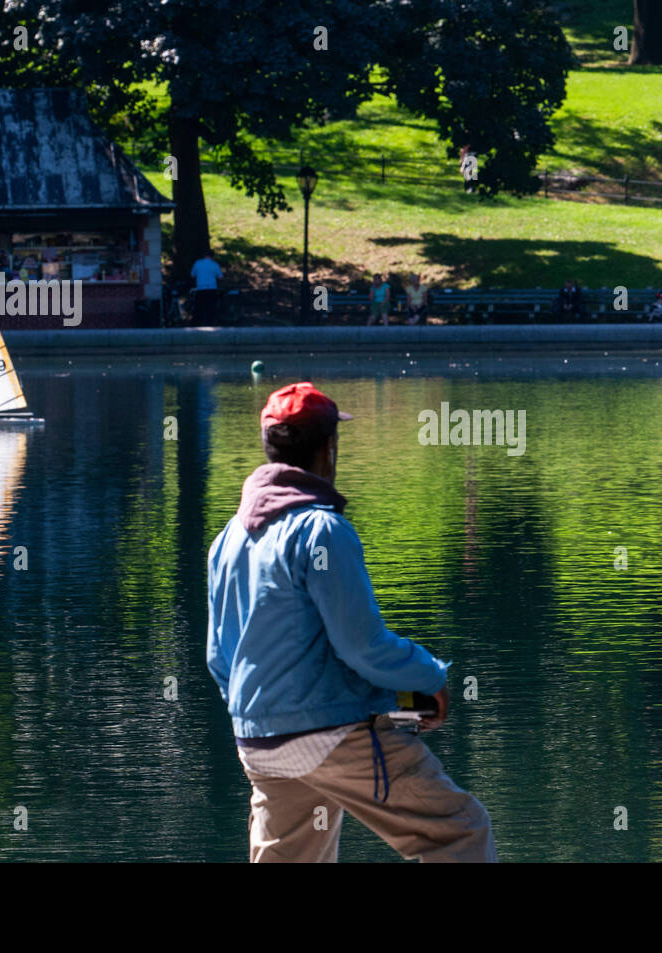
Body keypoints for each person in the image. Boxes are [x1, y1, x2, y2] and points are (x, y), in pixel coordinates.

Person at [207, 382, 497, 863]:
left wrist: (263, 715)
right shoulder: (321, 529)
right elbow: (361, 647)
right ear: (328, 448)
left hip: (257, 739)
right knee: (458, 832)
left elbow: (221, 659)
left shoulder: (229, 538)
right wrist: (430, 677)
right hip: (332, 733)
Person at [191, 249, 223, 325]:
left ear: (204, 255)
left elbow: (192, 275)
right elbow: (220, 277)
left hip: (201, 288)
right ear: (213, 256)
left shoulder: (198, 263)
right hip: (212, 288)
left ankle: (198, 322)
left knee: (199, 306)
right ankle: (210, 322)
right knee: (211, 306)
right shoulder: (215, 264)